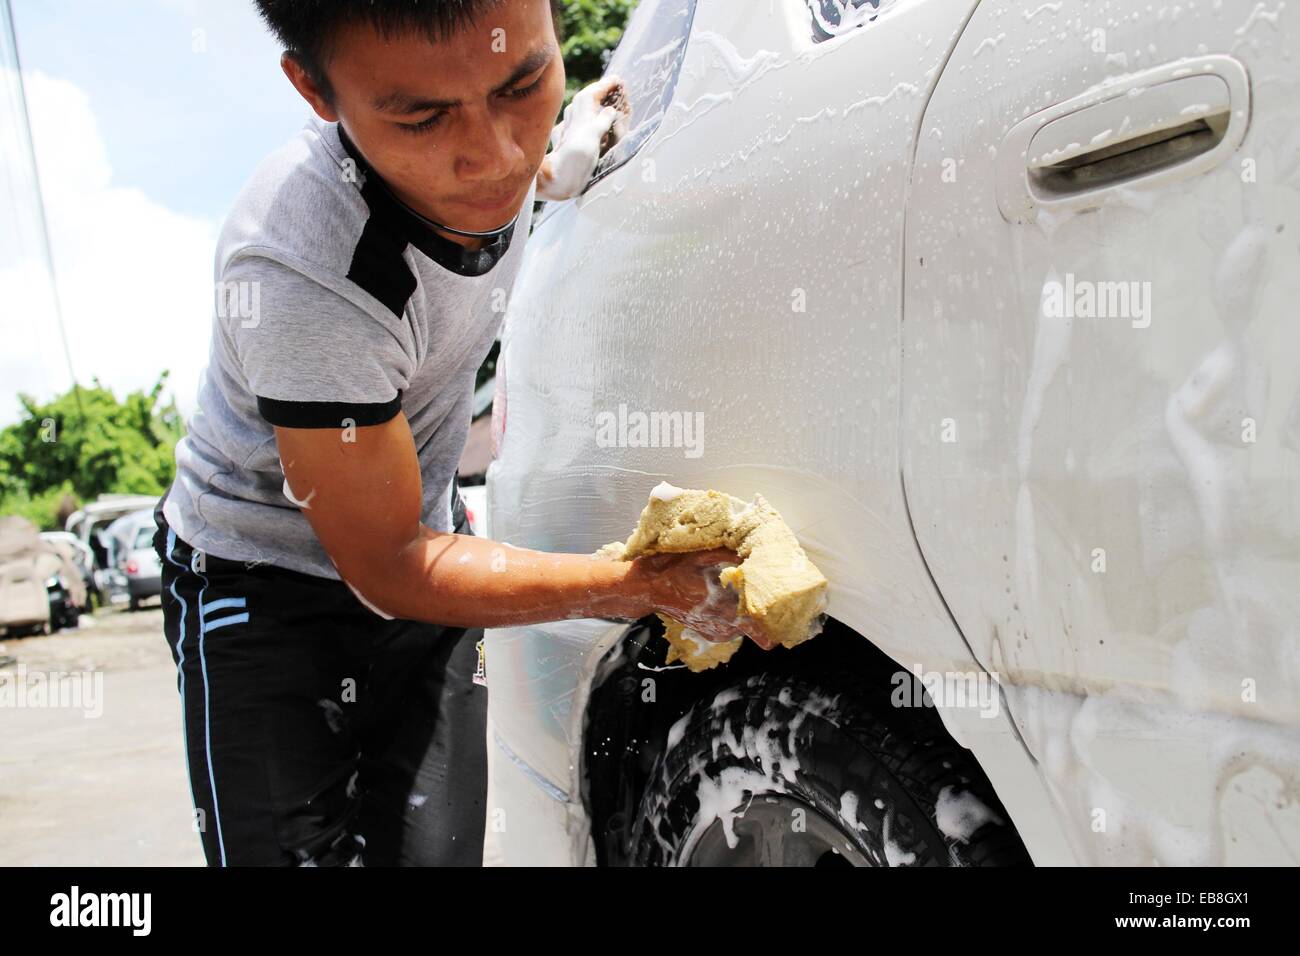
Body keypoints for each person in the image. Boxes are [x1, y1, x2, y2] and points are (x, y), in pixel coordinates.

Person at [152, 0, 770, 867]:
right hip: (265, 589)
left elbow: (527, 170)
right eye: (422, 116)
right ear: (315, 90)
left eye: (523, 84)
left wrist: (574, 148)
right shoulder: (302, 273)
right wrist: (639, 585)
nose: (496, 156)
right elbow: (392, 565)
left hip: (427, 550)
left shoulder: (497, 162)